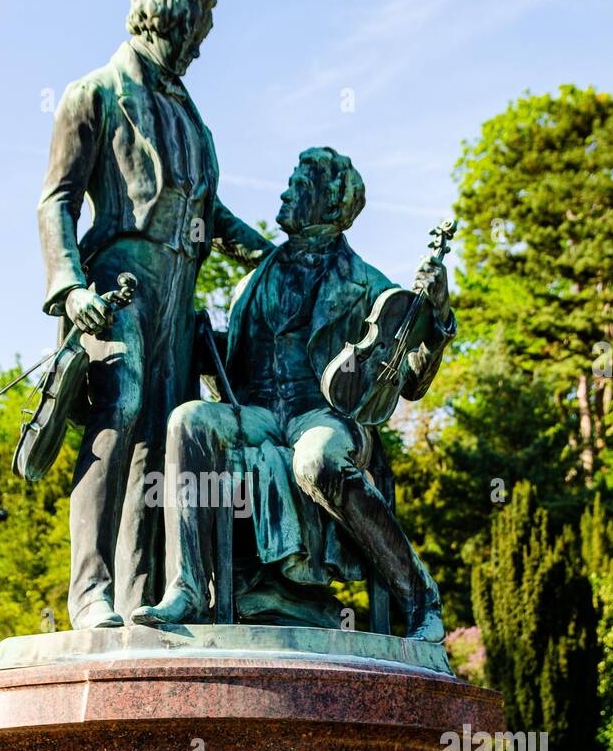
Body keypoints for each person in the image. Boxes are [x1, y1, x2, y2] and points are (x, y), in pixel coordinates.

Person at [133, 148, 455, 641]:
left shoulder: (365, 282)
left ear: (330, 204)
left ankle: (420, 598)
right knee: (189, 421)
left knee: (315, 460)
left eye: (299, 185)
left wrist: (438, 320)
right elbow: (234, 364)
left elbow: (411, 381)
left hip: (323, 414)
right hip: (258, 412)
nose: (284, 193)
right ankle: (190, 587)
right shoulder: (252, 280)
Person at [37, 0, 272, 628]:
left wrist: (275, 253)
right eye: (199, 29)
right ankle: (88, 590)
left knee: (163, 437)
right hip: (118, 277)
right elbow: (55, 201)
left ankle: (142, 596)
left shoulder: (191, 116)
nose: (201, 44)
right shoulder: (95, 94)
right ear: (171, 20)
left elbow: (210, 211)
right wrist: (69, 286)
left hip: (179, 286)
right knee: (122, 406)